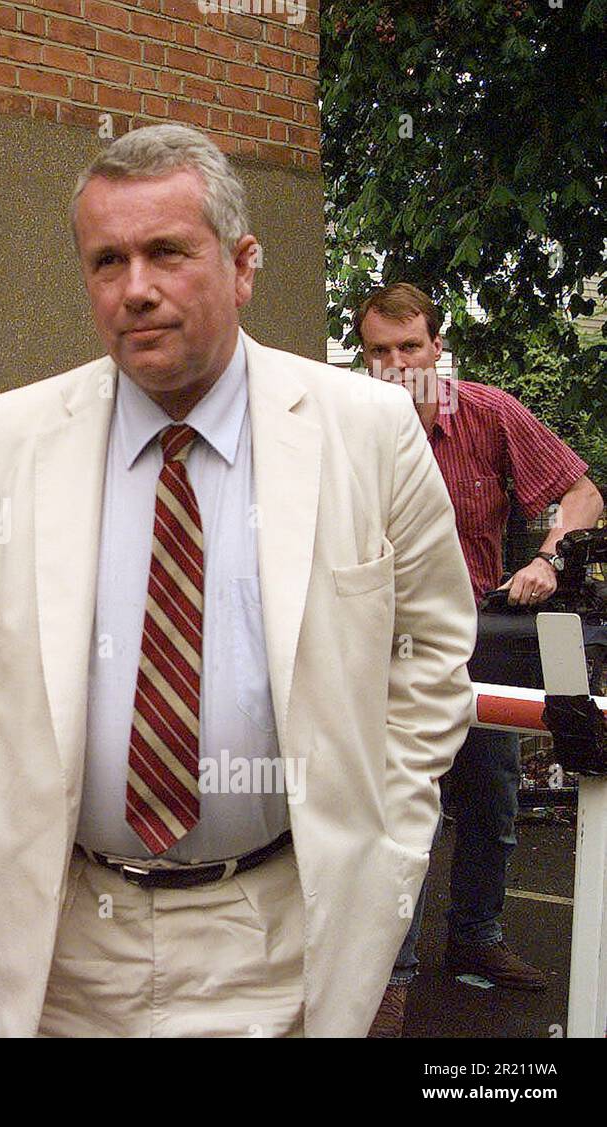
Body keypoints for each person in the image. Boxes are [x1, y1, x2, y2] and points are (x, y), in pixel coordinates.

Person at [0, 124, 478, 1037]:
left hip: (276, 940)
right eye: (107, 260)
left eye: (166, 252)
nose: (136, 288)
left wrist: (389, 837)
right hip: (64, 940)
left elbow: (431, 656)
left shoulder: (367, 432)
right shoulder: (10, 438)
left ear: (242, 265)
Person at [356, 282, 604, 1036]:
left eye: (410, 347)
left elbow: (583, 493)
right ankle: (388, 979)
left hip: (478, 642)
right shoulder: (351, 429)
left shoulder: (490, 414)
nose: (397, 365)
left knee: (492, 802)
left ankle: (478, 937)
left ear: (437, 347)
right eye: (379, 352)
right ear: (366, 360)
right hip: (387, 651)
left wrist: (551, 558)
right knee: (408, 818)